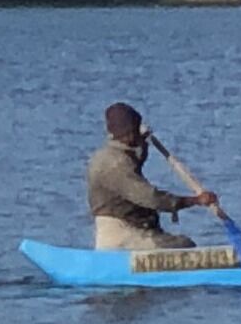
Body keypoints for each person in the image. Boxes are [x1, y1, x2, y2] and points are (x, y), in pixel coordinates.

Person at [86, 103, 219, 254]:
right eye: (136, 130)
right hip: (123, 236)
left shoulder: (112, 155)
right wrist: (195, 201)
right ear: (129, 134)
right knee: (185, 245)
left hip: (132, 229)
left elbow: (133, 167)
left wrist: (141, 146)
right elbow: (151, 198)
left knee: (178, 243)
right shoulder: (115, 164)